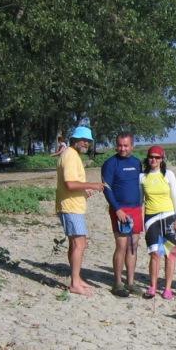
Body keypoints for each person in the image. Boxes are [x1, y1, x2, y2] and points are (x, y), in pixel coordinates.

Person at [55, 126, 105, 295]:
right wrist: (93, 185)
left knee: (75, 244)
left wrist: (85, 192)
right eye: (83, 140)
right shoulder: (70, 155)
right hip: (70, 207)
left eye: (88, 141)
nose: (86, 143)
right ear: (74, 140)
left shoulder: (72, 155)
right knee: (80, 243)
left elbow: (72, 184)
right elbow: (70, 184)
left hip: (72, 205)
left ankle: (76, 278)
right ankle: (75, 282)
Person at [101, 132, 143, 297]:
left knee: (133, 246)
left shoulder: (136, 162)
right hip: (120, 210)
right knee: (122, 246)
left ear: (132, 146)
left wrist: (142, 206)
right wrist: (117, 209)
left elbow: (141, 185)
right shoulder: (110, 163)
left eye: (126, 145)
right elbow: (107, 188)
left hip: (136, 209)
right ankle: (118, 282)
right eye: (120, 145)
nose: (122, 148)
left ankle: (130, 282)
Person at [140, 146, 176, 299]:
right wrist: (140, 221)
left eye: (157, 157)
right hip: (151, 219)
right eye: (151, 157)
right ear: (148, 158)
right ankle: (153, 286)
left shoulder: (168, 174)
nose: (154, 160)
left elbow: (175, 197)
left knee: (170, 254)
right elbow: (140, 201)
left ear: (162, 159)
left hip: (169, 217)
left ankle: (168, 288)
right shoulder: (142, 177)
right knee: (155, 254)